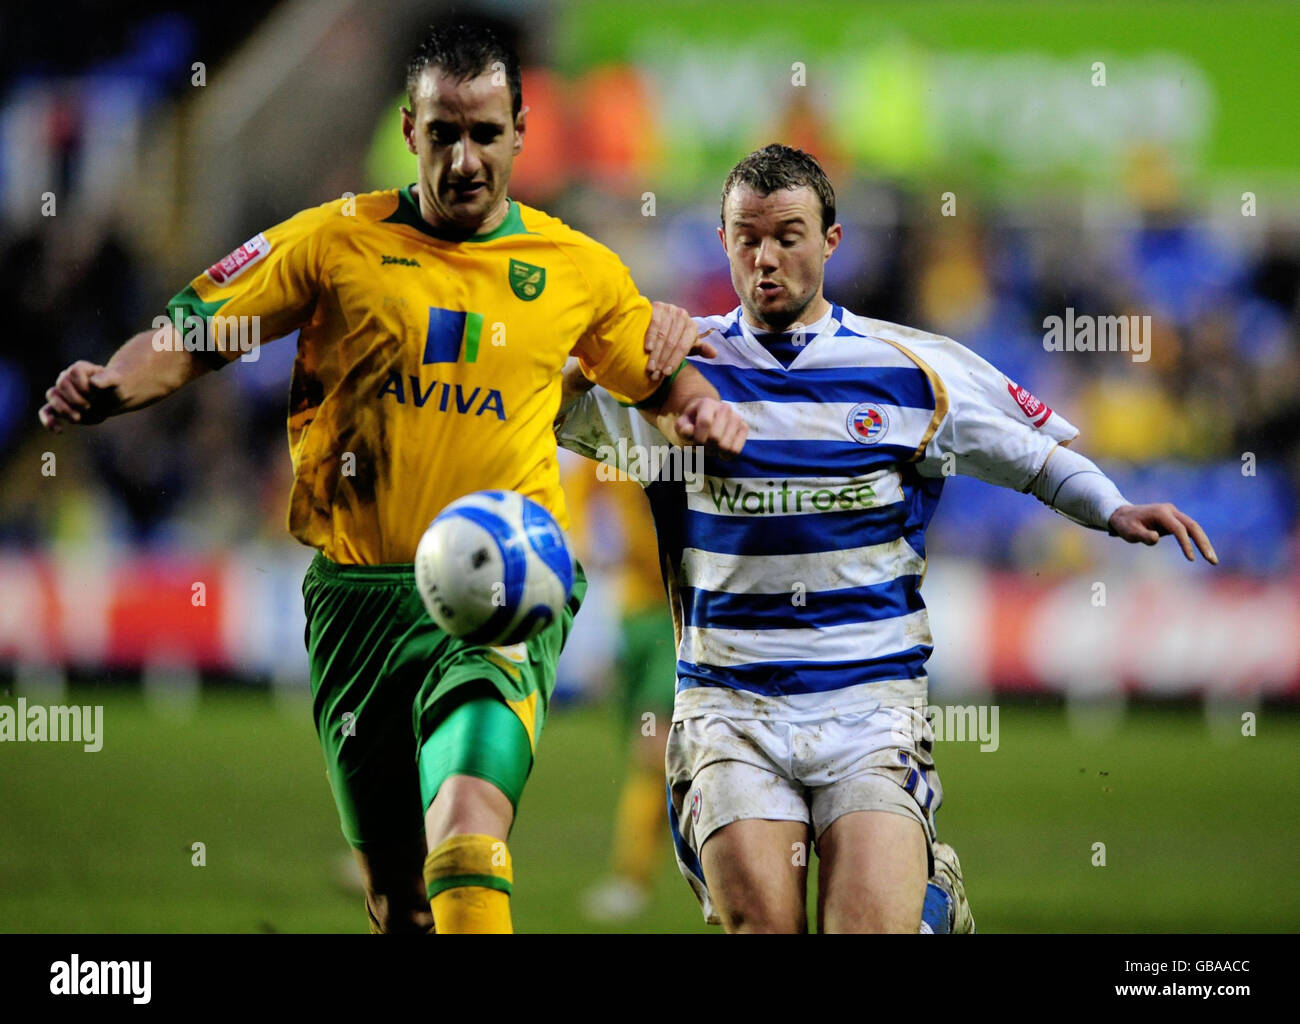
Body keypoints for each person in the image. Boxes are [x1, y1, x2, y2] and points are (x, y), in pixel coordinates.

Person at [37, 18, 746, 935]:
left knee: (466, 834)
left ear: (521, 134)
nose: (463, 158)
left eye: (485, 134)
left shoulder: (577, 270)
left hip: (508, 590)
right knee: (398, 902)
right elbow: (195, 333)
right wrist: (113, 381)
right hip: (357, 602)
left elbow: (658, 378)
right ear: (409, 131)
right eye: (443, 133)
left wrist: (701, 409)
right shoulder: (335, 242)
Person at [555, 143, 1216, 933]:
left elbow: (1033, 458)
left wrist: (1112, 508)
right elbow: (545, 401)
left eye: (789, 236)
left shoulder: (910, 367)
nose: (766, 258)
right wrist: (611, 341)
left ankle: (928, 898)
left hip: (869, 711)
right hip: (729, 709)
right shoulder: (670, 366)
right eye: (746, 238)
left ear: (831, 242)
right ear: (724, 241)